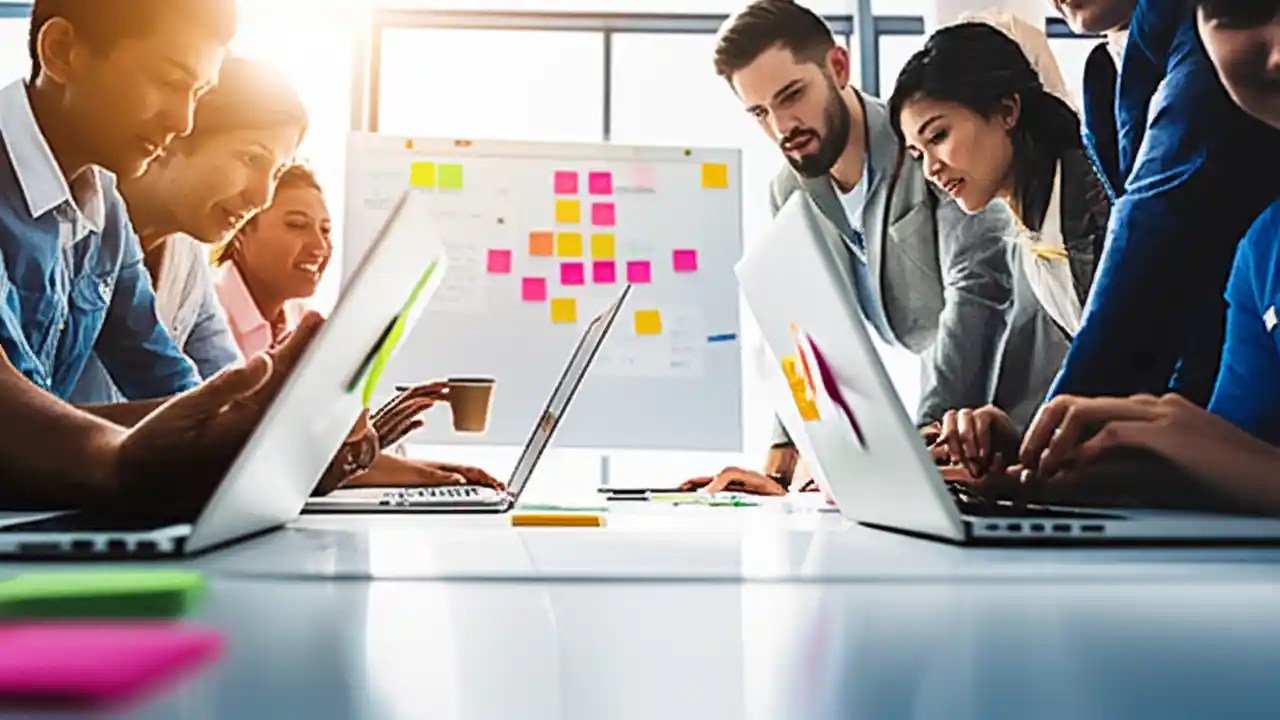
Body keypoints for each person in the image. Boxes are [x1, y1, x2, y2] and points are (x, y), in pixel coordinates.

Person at [685, 0, 1023, 496]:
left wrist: (925, 444)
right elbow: (802, 328)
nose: (782, 128)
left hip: (1021, 387)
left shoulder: (924, 142)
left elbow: (979, 285)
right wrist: (781, 463)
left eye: (792, 95)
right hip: (959, 431)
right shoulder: (790, 190)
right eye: (760, 112)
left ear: (838, 68)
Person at [971, 0, 1280, 514]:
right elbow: (1233, 462)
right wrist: (1073, 460)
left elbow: (1153, 239)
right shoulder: (1261, 253)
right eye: (1237, 12)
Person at [888, 22, 1110, 477]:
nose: (931, 168)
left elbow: (1133, 383)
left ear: (1007, 110)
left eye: (938, 136)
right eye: (917, 153)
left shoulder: (1095, 200)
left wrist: (1029, 462)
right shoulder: (1028, 231)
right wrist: (1016, 438)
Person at [0, 0, 236, 419]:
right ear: (60, 50)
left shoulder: (102, 201)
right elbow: (21, 428)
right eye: (168, 80)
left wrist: (255, 420)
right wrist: (221, 428)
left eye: (197, 94)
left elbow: (160, 370)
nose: (183, 122)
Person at [1043, 0, 1280, 405]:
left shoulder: (1200, 34)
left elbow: (1153, 235)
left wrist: (1062, 433)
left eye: (939, 134)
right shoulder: (1104, 71)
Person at [214, 164, 502, 491]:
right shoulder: (211, 318)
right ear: (240, 229)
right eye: (296, 225)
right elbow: (246, 460)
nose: (319, 247)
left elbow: (309, 458)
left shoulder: (302, 320)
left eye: (325, 230)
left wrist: (426, 470)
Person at [70, 55, 305, 404]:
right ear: (177, 132)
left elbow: (225, 391)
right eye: (251, 159)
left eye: (276, 173)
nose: (262, 197)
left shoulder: (186, 253)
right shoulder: (71, 228)